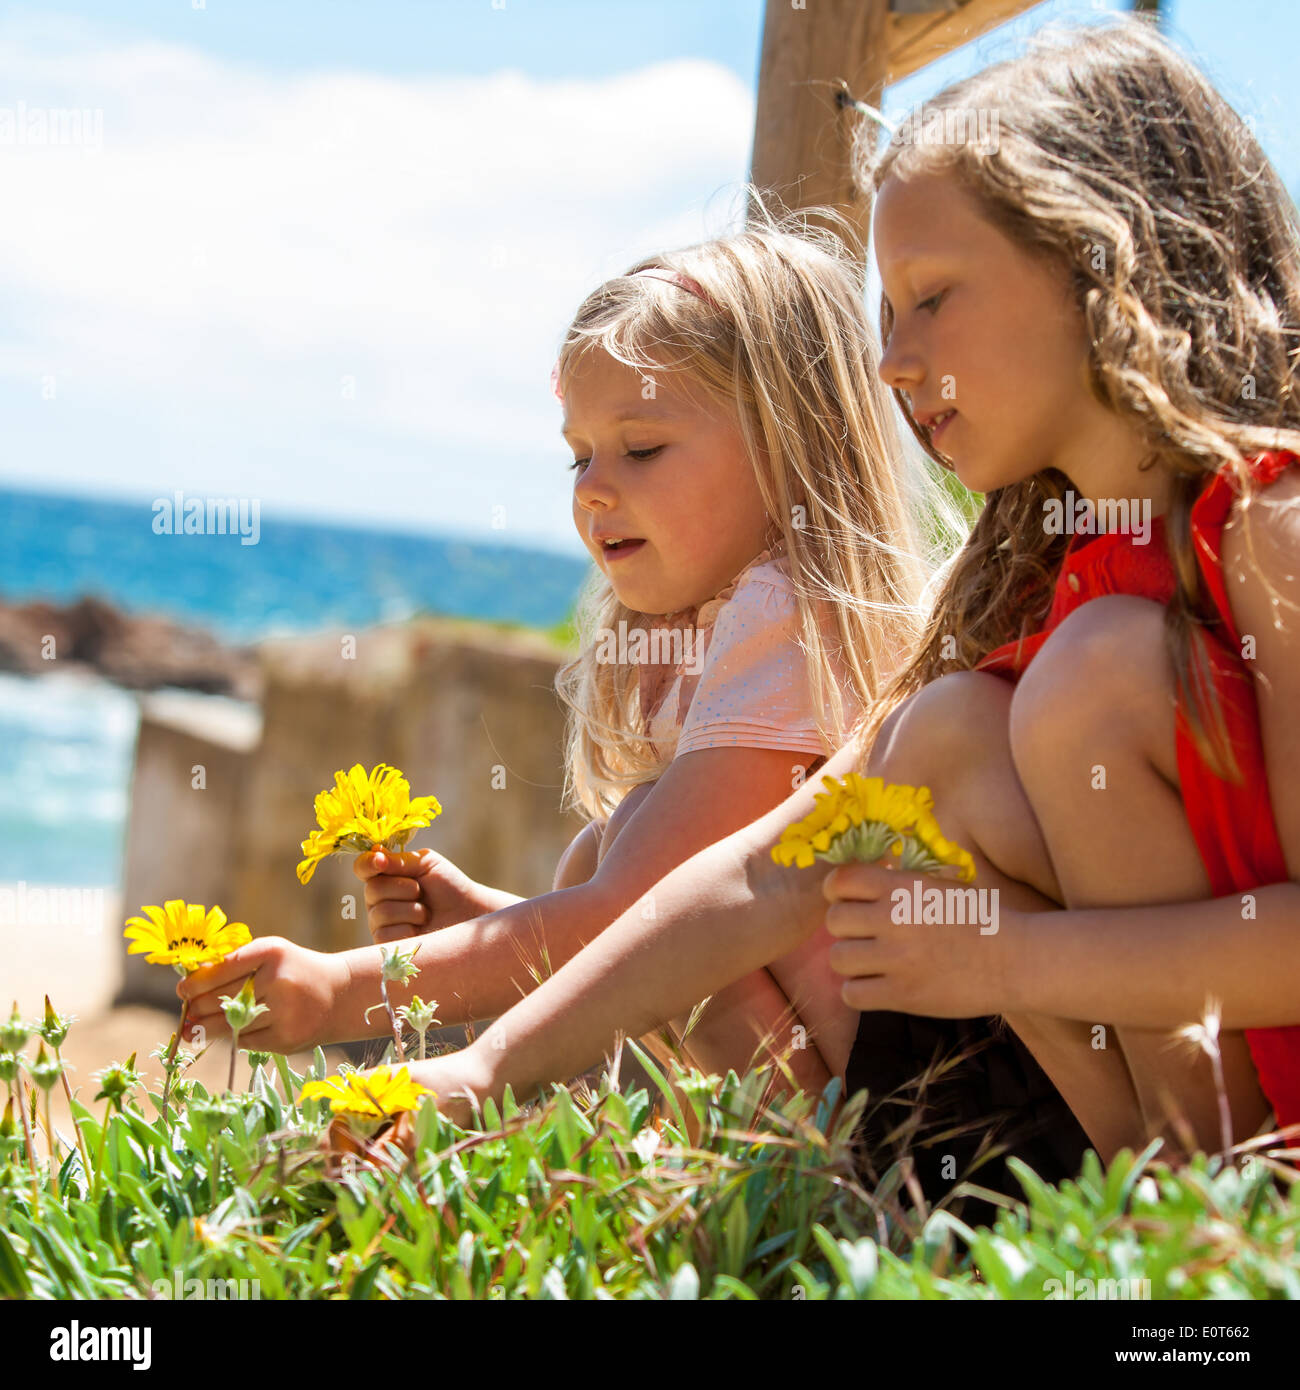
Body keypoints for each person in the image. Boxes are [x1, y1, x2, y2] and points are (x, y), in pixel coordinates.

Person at [281, 17, 1300, 1205]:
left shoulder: (1265, 528)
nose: (892, 362)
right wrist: (479, 1070)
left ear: (1097, 266)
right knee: (942, 738)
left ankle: (1222, 1224)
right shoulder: (1053, 569)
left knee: (1087, 680)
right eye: (884, 311)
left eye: (930, 298)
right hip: (1174, 1126)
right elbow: (761, 872)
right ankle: (1174, 1213)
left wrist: (1005, 955)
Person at [177, 208, 941, 1099]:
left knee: (623, 862)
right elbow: (638, 923)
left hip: (875, 1101)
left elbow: (648, 922)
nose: (594, 491)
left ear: (790, 444)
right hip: (824, 1053)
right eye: (578, 457)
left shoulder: (791, 618)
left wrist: (343, 993)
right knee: (602, 852)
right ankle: (705, 1159)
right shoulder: (717, 621)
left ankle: (798, 1177)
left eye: (642, 448)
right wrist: (490, 924)